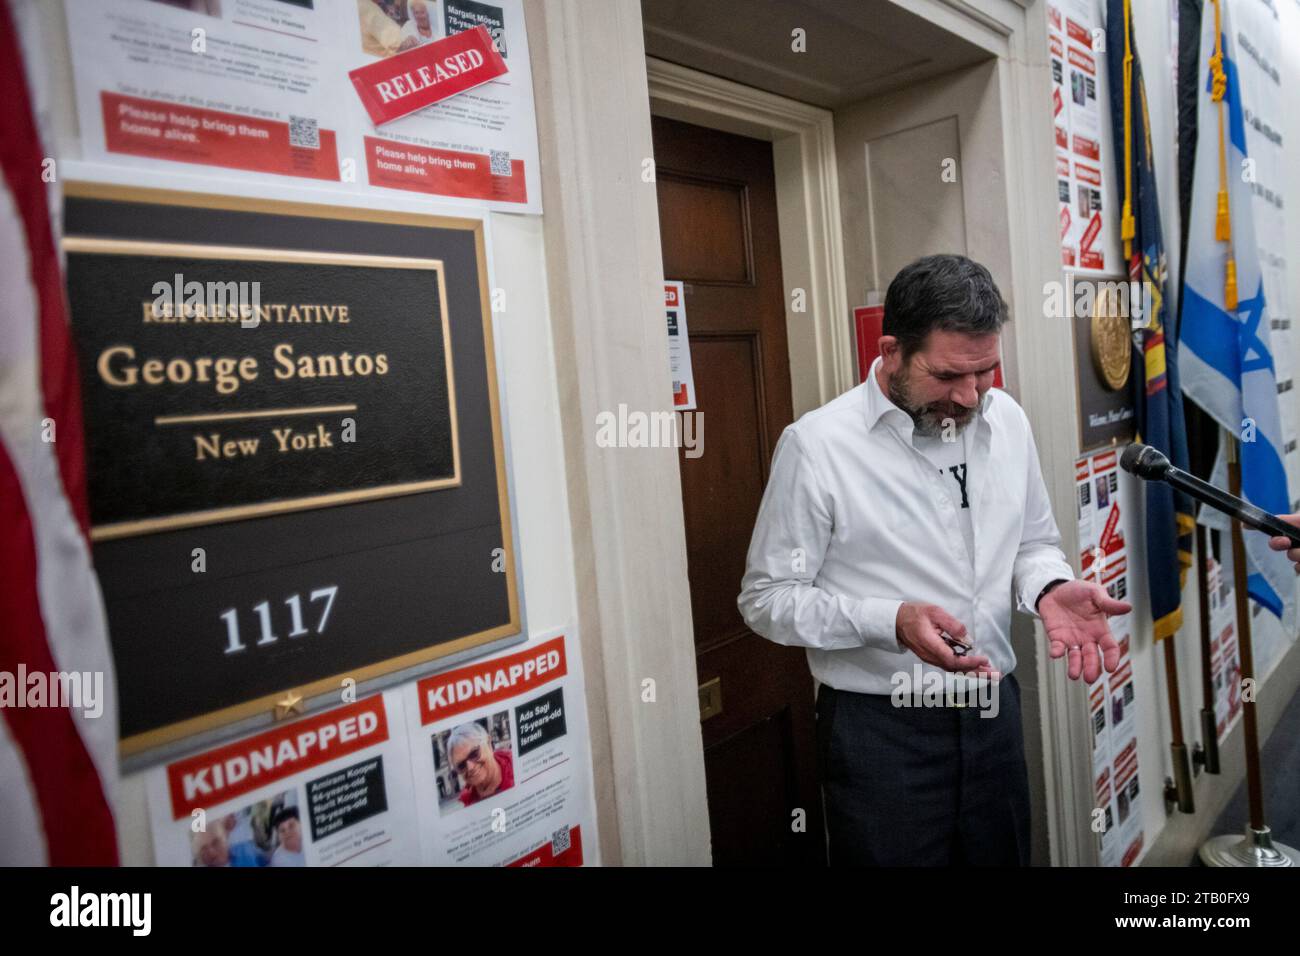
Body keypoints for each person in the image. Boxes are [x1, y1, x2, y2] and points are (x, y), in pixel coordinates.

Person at [738, 253, 1132, 866]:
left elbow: (1032, 543)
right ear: (890, 350)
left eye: (986, 372)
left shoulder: (1008, 422)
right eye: (948, 375)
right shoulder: (818, 447)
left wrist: (1050, 586)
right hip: (880, 734)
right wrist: (889, 619)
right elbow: (767, 599)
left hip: (993, 713)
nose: (971, 395)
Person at [447, 722, 513, 807]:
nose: (470, 767)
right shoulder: (468, 802)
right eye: (461, 765)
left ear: (489, 744)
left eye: (474, 754)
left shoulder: (518, 768)